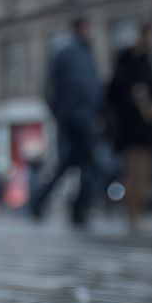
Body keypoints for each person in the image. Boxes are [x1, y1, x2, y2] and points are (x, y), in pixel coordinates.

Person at [32, 17, 103, 226]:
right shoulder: (66, 51)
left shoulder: (84, 51)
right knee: (88, 164)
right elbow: (50, 87)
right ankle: (78, 211)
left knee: (70, 164)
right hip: (74, 118)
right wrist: (61, 114)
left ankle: (41, 204)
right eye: (87, 26)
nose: (90, 31)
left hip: (84, 116)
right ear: (79, 28)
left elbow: (91, 87)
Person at [108, 23, 152, 232]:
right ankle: (132, 213)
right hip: (129, 125)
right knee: (133, 169)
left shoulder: (147, 61)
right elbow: (115, 92)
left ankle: (139, 211)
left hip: (145, 125)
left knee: (144, 170)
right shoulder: (126, 61)